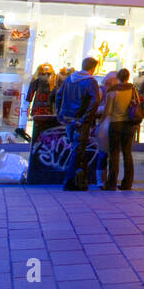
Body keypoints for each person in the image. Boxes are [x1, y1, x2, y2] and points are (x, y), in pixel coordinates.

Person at [56, 57, 102, 191]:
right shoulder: (90, 81)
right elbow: (95, 101)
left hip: (68, 118)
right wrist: (85, 118)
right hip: (80, 120)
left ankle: (81, 181)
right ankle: (70, 181)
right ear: (94, 68)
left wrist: (60, 113)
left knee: (76, 148)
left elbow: (59, 95)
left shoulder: (70, 78)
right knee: (78, 149)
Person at [100, 70, 139, 190]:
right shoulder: (133, 89)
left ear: (118, 78)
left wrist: (101, 122)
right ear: (128, 77)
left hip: (115, 124)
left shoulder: (113, 91)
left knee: (114, 153)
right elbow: (137, 104)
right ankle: (127, 183)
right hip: (129, 125)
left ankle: (111, 183)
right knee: (127, 153)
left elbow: (108, 111)